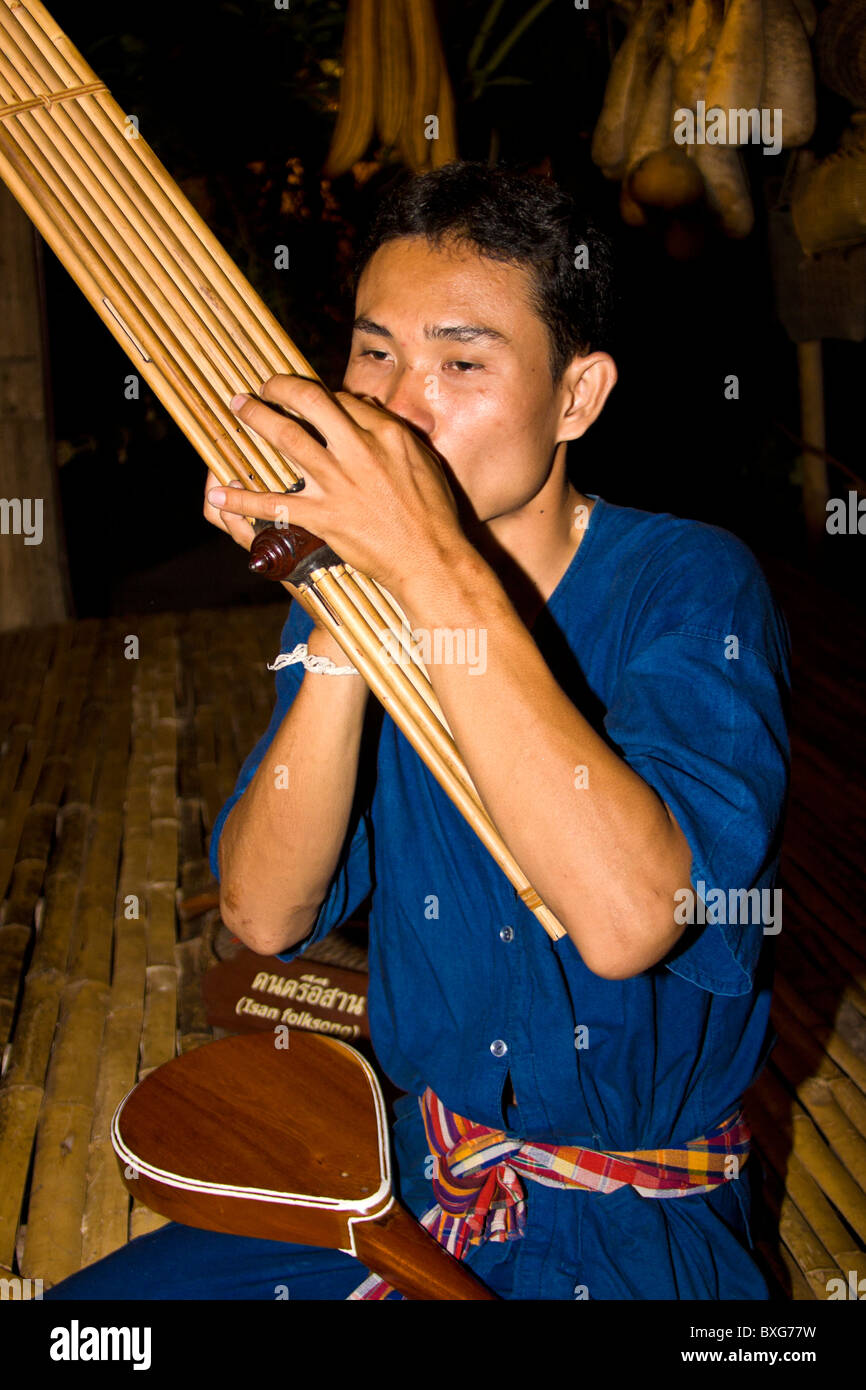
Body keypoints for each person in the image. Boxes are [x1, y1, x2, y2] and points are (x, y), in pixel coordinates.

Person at [47, 161, 790, 1301]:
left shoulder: (689, 583)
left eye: (459, 362)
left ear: (576, 398)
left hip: (629, 1221)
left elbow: (631, 920)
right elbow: (261, 912)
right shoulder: (352, 589)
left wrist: (428, 565)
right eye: (373, 351)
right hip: (411, 1179)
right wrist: (345, 613)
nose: (395, 403)